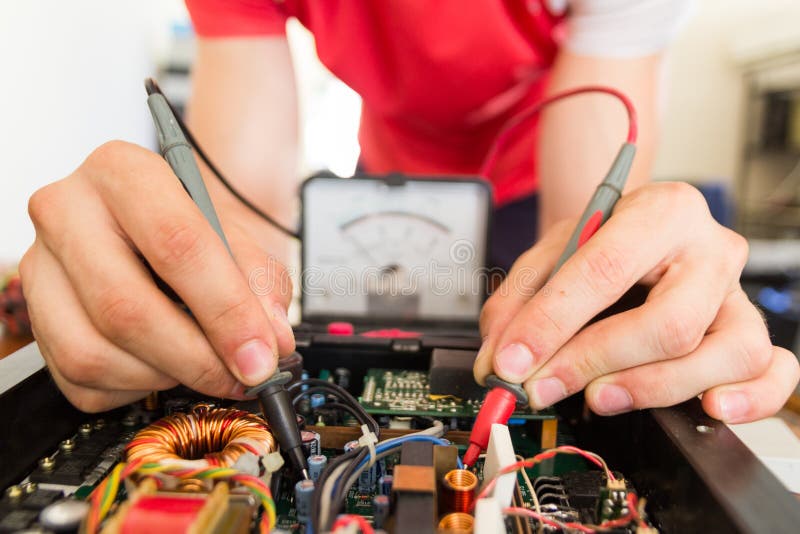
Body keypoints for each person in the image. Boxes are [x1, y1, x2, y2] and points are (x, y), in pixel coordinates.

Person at [20, 0, 798, 422]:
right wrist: (188, 288)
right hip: (383, 182)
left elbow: (589, 233)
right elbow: (239, 227)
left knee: (568, 319)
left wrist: (632, 296)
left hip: (539, 192)